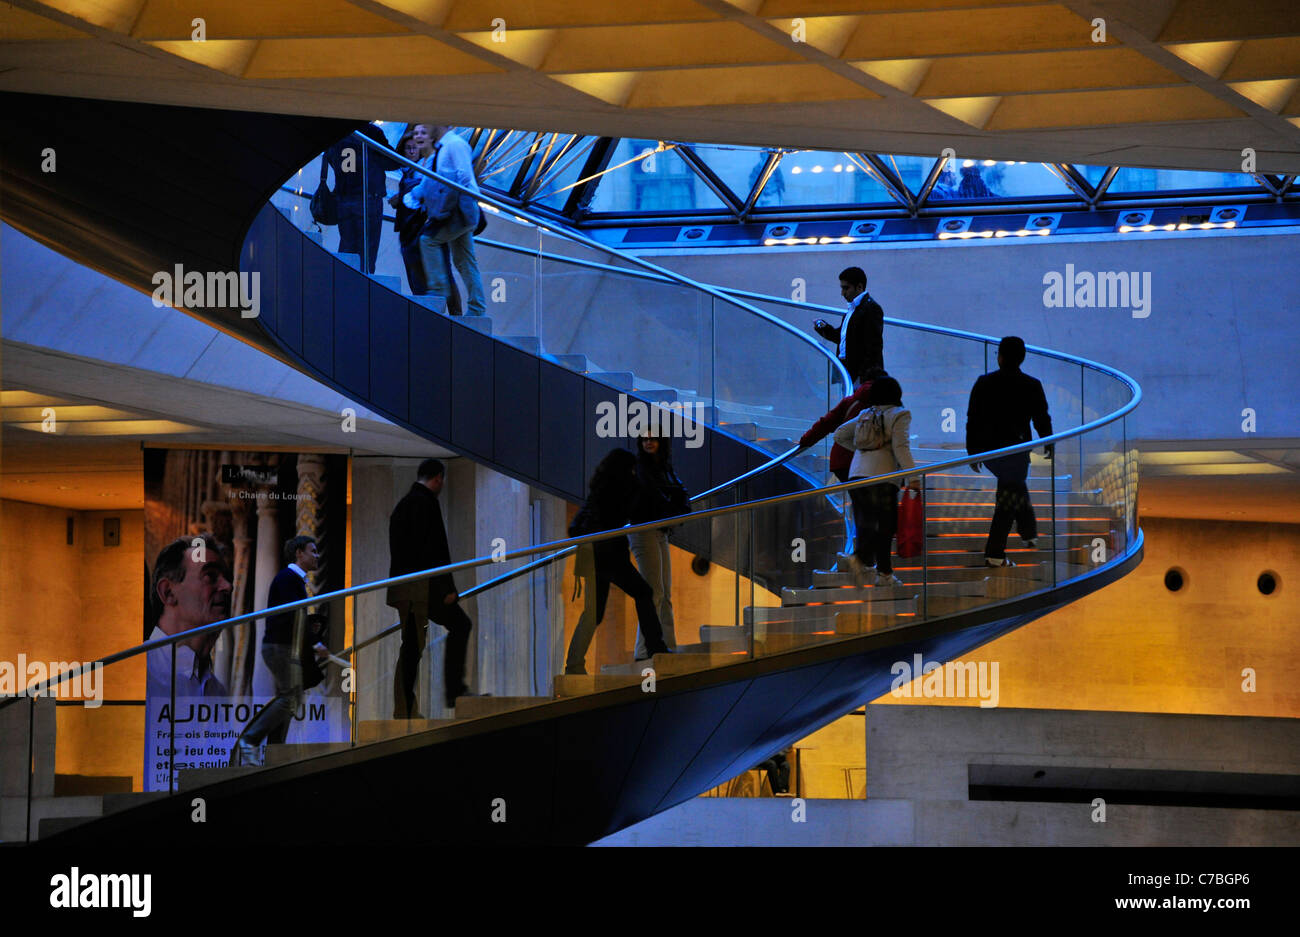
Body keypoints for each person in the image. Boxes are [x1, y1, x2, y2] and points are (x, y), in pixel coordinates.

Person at [564, 449, 671, 676]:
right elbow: (648, 505)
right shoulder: (626, 488)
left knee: (593, 613)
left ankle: (573, 665)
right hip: (612, 556)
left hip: (593, 557)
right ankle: (655, 647)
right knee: (643, 592)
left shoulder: (597, 490)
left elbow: (574, 528)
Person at [230, 535, 330, 766]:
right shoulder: (288, 579)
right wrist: (314, 642)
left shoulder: (292, 580)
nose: (317, 556)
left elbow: (296, 618)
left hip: (283, 648)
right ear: (299, 553)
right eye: (313, 551)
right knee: (289, 699)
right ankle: (250, 740)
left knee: (289, 699)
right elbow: (293, 617)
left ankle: (274, 754)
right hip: (281, 647)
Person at [387, 458, 475, 714]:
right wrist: (446, 588)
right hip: (423, 588)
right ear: (438, 478)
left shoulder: (402, 506)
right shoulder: (426, 504)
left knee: (412, 647)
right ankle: (452, 691)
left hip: (405, 588)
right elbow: (434, 550)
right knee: (459, 625)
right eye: (442, 480)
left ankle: (405, 709)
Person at [965, 336, 1054, 567]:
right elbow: (1041, 417)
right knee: (1008, 496)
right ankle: (995, 554)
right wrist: (1048, 441)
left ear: (1000, 356)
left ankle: (1028, 532)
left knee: (1013, 487)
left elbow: (972, 419)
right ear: (1022, 357)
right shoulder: (1032, 385)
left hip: (991, 450)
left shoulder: (984, 382)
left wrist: (972, 451)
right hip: (1017, 449)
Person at [833, 376, 919, 586]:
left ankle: (881, 572)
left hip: (857, 474)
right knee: (886, 526)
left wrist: (864, 450)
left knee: (867, 521)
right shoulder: (900, 414)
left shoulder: (865, 414)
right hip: (882, 475)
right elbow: (901, 447)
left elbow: (839, 434)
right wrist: (913, 476)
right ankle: (866, 562)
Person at [797, 367, 886, 569]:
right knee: (870, 508)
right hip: (867, 463)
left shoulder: (851, 401)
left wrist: (804, 441)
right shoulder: (883, 405)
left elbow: (826, 423)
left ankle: (864, 554)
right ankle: (864, 556)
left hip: (842, 462)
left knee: (862, 505)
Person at [410, 125, 486, 317]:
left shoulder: (454, 145)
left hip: (458, 209)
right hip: (460, 209)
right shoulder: (444, 147)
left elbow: (465, 178)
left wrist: (448, 203)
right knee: (465, 261)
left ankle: (438, 291)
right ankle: (477, 308)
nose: (425, 130)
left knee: (428, 240)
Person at [627, 434, 691, 659]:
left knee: (664, 592)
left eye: (653, 438)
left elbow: (680, 494)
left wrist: (675, 511)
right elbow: (653, 496)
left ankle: (666, 646)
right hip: (643, 531)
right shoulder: (640, 467)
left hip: (660, 531)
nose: (648, 442)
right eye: (644, 439)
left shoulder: (664, 467)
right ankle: (645, 650)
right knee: (652, 592)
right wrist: (673, 510)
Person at [146, 534, 231, 699]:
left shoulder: (216, 691)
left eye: (227, 578)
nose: (228, 586)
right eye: (210, 576)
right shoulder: (137, 674)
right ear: (168, 592)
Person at [324, 122, 397, 274]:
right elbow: (392, 161)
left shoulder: (338, 132)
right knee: (367, 251)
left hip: (344, 199)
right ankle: (364, 288)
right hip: (368, 200)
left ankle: (342, 284)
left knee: (347, 247)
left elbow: (331, 157)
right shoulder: (371, 132)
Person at [813, 266, 885, 385]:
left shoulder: (870, 308)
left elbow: (874, 347)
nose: (842, 293)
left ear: (859, 287)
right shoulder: (853, 309)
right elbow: (843, 339)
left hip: (859, 375)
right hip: (849, 371)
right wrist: (824, 328)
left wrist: (863, 377)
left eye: (846, 288)